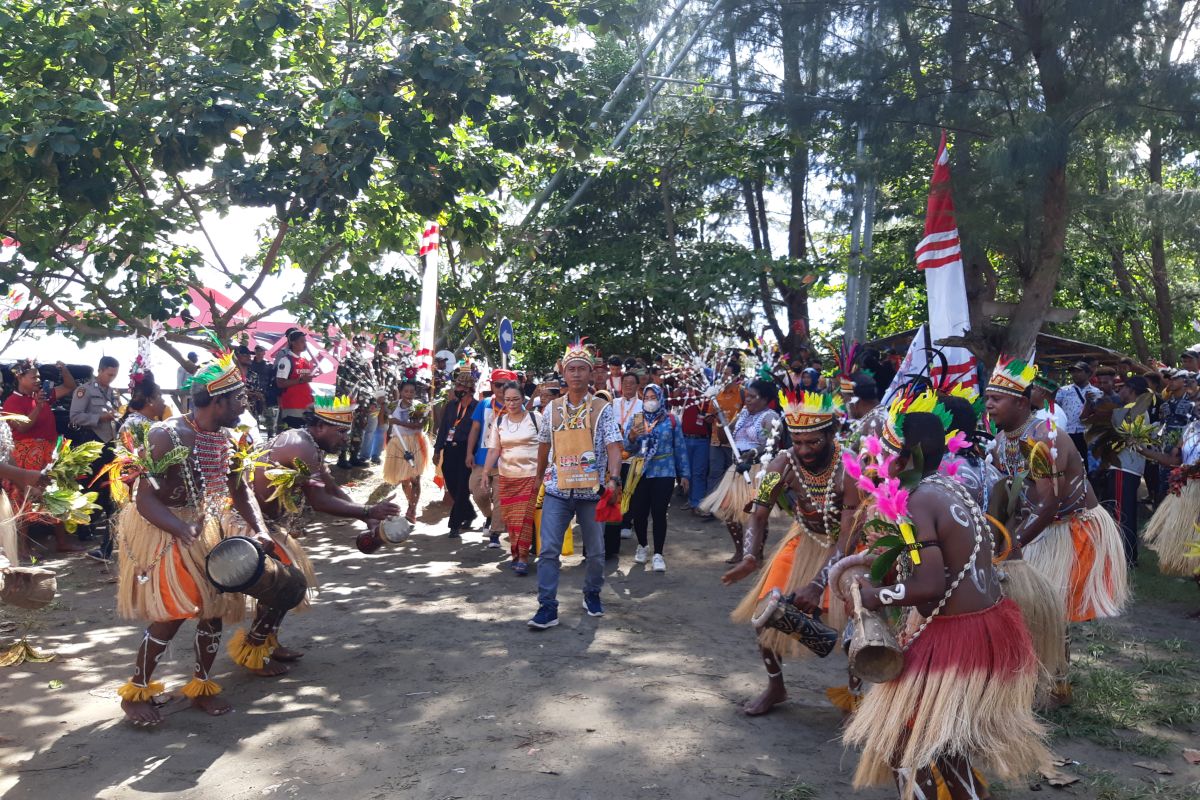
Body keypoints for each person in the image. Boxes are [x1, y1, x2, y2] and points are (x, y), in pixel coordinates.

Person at [843, 408, 1051, 799]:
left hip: (958, 638)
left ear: (903, 458)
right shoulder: (947, 487)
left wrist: (875, 596)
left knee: (902, 742)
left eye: (880, 454)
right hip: (986, 627)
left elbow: (930, 585)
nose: (873, 464)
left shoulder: (915, 501)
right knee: (944, 744)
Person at [115, 353, 283, 726]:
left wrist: (259, 529)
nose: (244, 406)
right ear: (218, 400)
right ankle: (136, 691)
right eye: (238, 399)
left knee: (213, 607)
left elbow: (240, 490)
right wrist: (179, 529)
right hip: (162, 528)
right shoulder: (166, 435)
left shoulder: (228, 438)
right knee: (173, 614)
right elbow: (144, 499)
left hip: (204, 525)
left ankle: (202, 686)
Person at [986, 356, 1129, 703]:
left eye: (996, 398)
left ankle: (1056, 683)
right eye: (987, 397)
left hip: (1071, 527)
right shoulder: (1003, 440)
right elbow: (1011, 493)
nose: (988, 404)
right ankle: (1037, 678)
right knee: (1026, 606)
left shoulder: (1044, 437)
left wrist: (1012, 546)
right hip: (1039, 524)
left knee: (1050, 609)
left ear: (1021, 403)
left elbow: (1048, 503)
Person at [721, 390, 858, 716]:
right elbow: (759, 513)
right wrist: (751, 555)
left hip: (847, 546)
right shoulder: (781, 465)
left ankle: (854, 695)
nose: (804, 450)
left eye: (813, 442)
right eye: (798, 442)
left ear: (831, 435)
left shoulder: (850, 467)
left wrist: (819, 584)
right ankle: (776, 686)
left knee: (859, 622)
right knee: (764, 612)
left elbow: (849, 531)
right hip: (804, 538)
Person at [242, 395, 401, 674]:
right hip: (251, 524)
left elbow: (332, 489)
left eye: (347, 431)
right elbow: (319, 500)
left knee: (285, 584)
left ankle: (268, 643)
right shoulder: (301, 445)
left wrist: (369, 518)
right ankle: (253, 653)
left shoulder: (312, 446)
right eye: (340, 431)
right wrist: (367, 511)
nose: (345, 438)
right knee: (283, 586)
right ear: (319, 427)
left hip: (271, 524)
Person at [527, 340, 624, 630]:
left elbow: (614, 446)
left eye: (582, 369)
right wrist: (538, 478)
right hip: (557, 489)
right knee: (548, 550)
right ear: (564, 374)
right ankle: (547, 607)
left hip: (592, 492)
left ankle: (592, 593)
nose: (577, 374)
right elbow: (544, 445)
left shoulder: (602, 408)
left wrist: (614, 478)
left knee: (596, 552)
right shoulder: (552, 409)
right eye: (572, 369)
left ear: (591, 374)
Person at [698, 379, 780, 563]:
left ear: (764, 399)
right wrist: (720, 422)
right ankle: (740, 550)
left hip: (758, 470)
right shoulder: (743, 413)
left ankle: (756, 553)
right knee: (729, 510)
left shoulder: (770, 418)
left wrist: (751, 453)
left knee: (757, 513)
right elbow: (725, 438)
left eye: (752, 397)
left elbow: (770, 446)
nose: (747, 400)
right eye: (747, 396)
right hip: (737, 468)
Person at [4, 359, 81, 555]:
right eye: (33, 377)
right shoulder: (11, 402)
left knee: (56, 494)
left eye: (39, 376)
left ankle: (62, 541)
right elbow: (22, 428)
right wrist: (38, 406)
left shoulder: (43, 395)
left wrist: (64, 369)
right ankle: (22, 547)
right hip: (26, 457)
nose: (38, 380)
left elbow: (70, 386)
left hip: (48, 453)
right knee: (25, 498)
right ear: (20, 377)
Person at [623, 384, 689, 572]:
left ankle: (658, 554)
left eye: (653, 397)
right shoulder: (637, 419)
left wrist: (684, 474)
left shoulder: (671, 420)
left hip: (664, 471)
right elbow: (628, 448)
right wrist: (632, 437)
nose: (650, 401)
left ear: (660, 399)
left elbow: (680, 448)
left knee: (659, 512)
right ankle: (642, 545)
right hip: (640, 471)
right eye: (646, 398)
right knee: (639, 512)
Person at [483, 381, 542, 575]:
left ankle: (523, 557)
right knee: (511, 518)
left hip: (531, 475)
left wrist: (545, 472)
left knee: (524, 518)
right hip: (507, 477)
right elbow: (494, 450)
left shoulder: (535, 418)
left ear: (523, 399)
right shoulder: (499, 422)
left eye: (516, 399)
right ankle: (515, 553)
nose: (511, 403)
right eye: (508, 399)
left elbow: (547, 446)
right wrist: (485, 473)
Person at [1141, 418, 1200, 597]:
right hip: (1187, 492)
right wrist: (1142, 450)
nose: (1198, 405)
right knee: (1190, 546)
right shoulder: (1190, 428)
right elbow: (1175, 460)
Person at [467, 369, 515, 545]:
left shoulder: (516, 405)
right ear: (492, 386)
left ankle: (495, 533)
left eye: (505, 385)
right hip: (482, 459)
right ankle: (489, 515)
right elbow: (475, 429)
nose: (501, 388)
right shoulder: (484, 404)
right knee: (478, 492)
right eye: (498, 384)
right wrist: (469, 453)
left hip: (505, 461)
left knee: (500, 498)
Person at [1107, 375, 1150, 567]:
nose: (1119, 390)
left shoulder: (1134, 410)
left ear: (1131, 390)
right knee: (1125, 511)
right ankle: (1128, 555)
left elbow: (1123, 440)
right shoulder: (1139, 410)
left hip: (1123, 466)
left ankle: (1124, 556)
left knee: (1121, 513)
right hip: (1127, 467)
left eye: (1122, 387)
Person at [433, 371, 479, 537]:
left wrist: (473, 453)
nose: (457, 389)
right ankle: (469, 513)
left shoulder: (477, 407)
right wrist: (437, 450)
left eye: (460, 386)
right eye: (456, 386)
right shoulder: (451, 406)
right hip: (449, 449)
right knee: (452, 485)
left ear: (469, 389)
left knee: (462, 488)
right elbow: (444, 429)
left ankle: (454, 525)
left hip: (466, 450)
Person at [700, 361, 745, 520]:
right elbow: (709, 413)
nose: (723, 376)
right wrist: (709, 418)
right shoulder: (716, 393)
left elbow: (747, 415)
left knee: (732, 474)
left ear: (735, 376)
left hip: (735, 442)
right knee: (714, 473)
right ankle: (711, 507)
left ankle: (730, 508)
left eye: (727, 373)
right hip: (715, 440)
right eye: (723, 373)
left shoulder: (743, 393)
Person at [605, 373, 643, 552]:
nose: (628, 386)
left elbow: (642, 431)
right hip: (613, 452)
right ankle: (614, 522)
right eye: (625, 383)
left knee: (629, 489)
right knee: (614, 487)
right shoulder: (612, 404)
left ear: (637, 386)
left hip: (632, 454)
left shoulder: (641, 405)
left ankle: (627, 522)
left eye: (631, 383)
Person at [383, 380, 428, 522]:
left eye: (412, 392)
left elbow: (419, 425)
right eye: (406, 391)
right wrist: (382, 406)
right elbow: (384, 420)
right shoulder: (393, 405)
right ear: (401, 392)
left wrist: (398, 422)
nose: (408, 394)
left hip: (414, 443)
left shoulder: (420, 407)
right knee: (403, 479)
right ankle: (410, 503)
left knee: (415, 478)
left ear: (415, 393)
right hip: (398, 444)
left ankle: (412, 509)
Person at [334, 335, 377, 468]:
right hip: (347, 401)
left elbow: (371, 384)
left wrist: (372, 401)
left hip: (362, 402)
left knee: (359, 429)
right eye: (358, 343)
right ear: (353, 344)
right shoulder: (346, 361)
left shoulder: (366, 363)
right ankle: (342, 458)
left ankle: (354, 456)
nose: (360, 346)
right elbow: (340, 382)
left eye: (363, 344)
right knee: (344, 430)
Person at [1055, 361, 1101, 459]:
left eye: (1079, 371)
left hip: (1085, 434)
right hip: (1067, 432)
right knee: (1066, 460)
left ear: (1088, 373)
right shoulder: (1063, 391)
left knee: (1086, 461)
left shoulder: (1096, 392)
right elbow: (1054, 408)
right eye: (1073, 372)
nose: (1075, 374)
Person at [275, 329, 315, 431]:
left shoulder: (304, 361)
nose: (304, 344)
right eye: (302, 341)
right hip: (293, 408)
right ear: (293, 342)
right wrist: (300, 380)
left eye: (305, 341)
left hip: (306, 406)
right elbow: (280, 383)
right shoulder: (286, 360)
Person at [679, 398, 711, 512]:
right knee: (687, 472)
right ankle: (691, 499)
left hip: (702, 440)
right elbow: (673, 401)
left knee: (699, 473)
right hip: (685, 439)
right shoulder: (687, 394)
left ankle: (697, 503)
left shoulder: (710, 396)